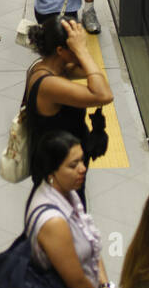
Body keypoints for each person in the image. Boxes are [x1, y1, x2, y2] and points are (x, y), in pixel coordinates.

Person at [25, 133, 112, 288]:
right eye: (73, 165)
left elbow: (90, 242)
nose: (83, 168)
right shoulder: (53, 222)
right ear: (52, 171)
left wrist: (103, 285)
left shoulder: (69, 192)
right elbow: (76, 281)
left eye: (82, 160)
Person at [24, 16, 113, 186]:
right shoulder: (48, 84)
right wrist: (83, 52)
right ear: (60, 50)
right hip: (57, 173)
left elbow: (93, 74)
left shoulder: (54, 67)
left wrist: (79, 50)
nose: (80, 50)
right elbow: (104, 94)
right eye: (74, 48)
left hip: (66, 164)